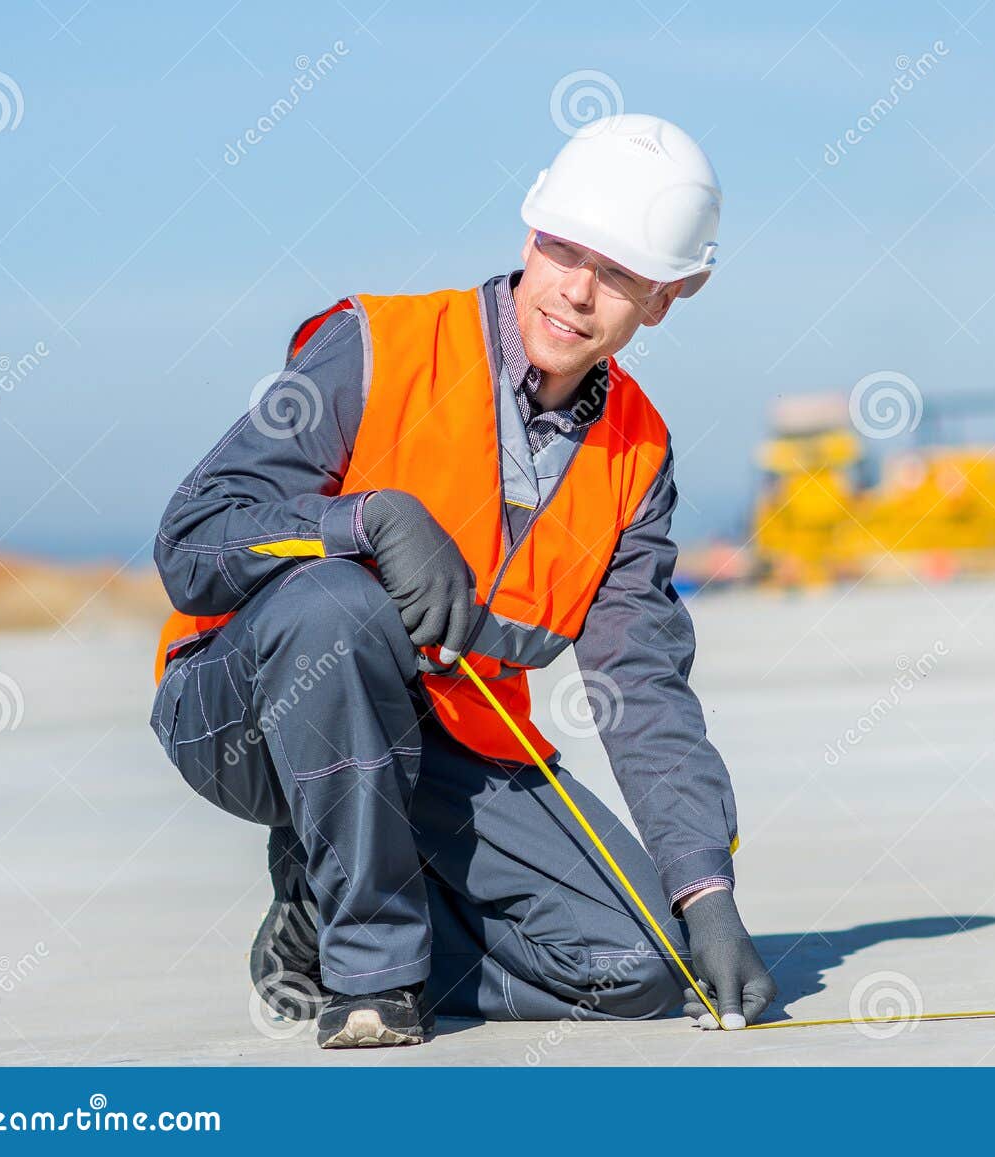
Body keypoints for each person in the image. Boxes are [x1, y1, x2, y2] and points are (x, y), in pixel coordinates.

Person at [147, 113, 776, 1049]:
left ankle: (325, 923)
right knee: (336, 602)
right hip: (249, 714)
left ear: (669, 295)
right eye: (565, 249)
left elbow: (641, 683)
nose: (576, 290)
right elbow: (193, 538)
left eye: (620, 273)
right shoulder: (378, 346)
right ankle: (373, 977)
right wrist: (359, 522)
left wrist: (704, 885)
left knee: (639, 966)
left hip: (442, 739)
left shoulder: (635, 455)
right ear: (531, 232)